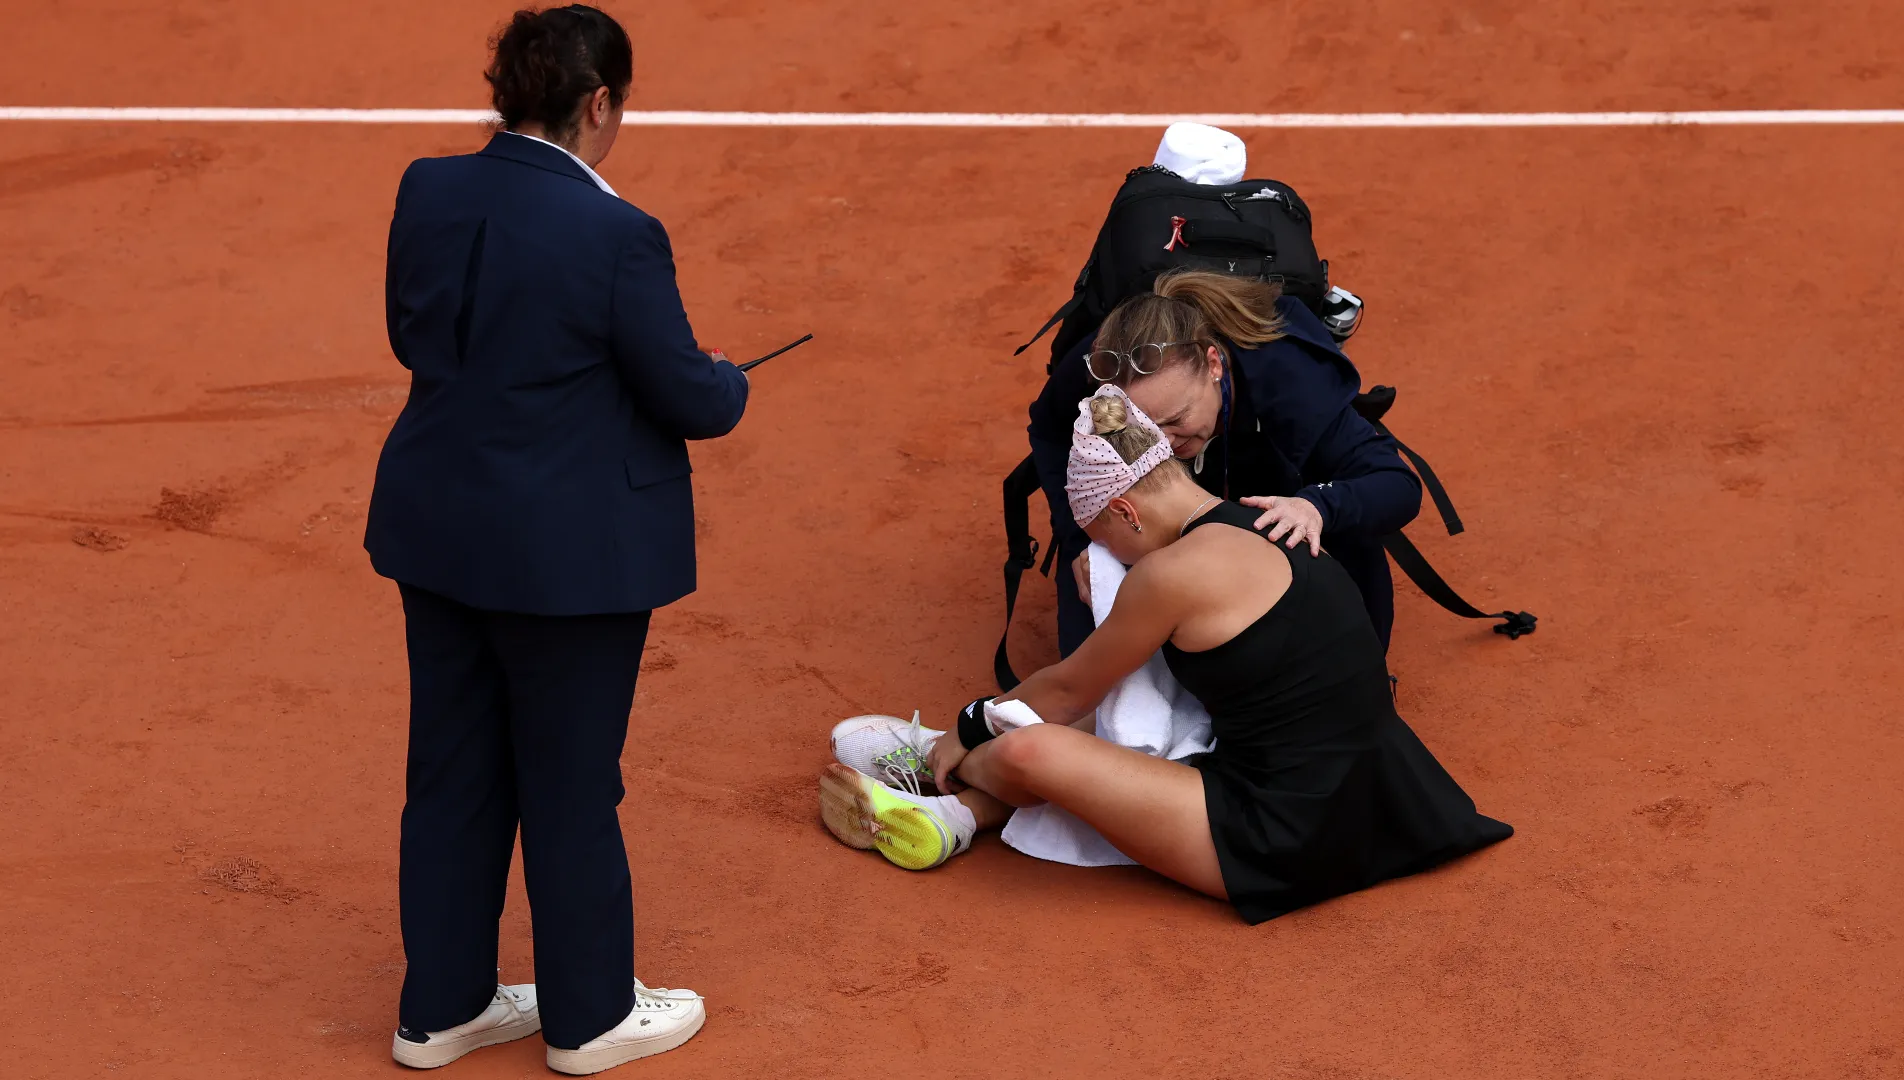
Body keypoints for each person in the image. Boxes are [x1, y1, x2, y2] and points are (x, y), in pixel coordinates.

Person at [365, 5, 745, 1072]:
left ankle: (440, 1011)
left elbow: (417, 330)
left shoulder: (427, 187)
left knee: (451, 770)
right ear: (597, 102)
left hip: (439, 528)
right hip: (568, 561)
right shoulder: (618, 233)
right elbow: (690, 395)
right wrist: (729, 379)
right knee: (572, 784)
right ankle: (587, 1019)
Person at [819, 386, 1510, 923]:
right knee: (1111, 711)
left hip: (1278, 837)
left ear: (1124, 512)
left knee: (1034, 749)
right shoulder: (1257, 517)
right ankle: (956, 814)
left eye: (1099, 537)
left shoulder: (1170, 574)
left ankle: (940, 759)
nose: (1103, 558)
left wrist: (969, 723)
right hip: (1385, 798)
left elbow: (1063, 692)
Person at [1028, 270, 1421, 656]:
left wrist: (1315, 507)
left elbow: (1395, 482)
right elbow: (1049, 429)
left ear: (1214, 365)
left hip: (1273, 490)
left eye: (1176, 419)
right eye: (1144, 426)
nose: (1161, 444)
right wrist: (1082, 536)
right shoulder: (1104, 386)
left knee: (1337, 523)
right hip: (1170, 513)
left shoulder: (1290, 384)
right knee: (1093, 571)